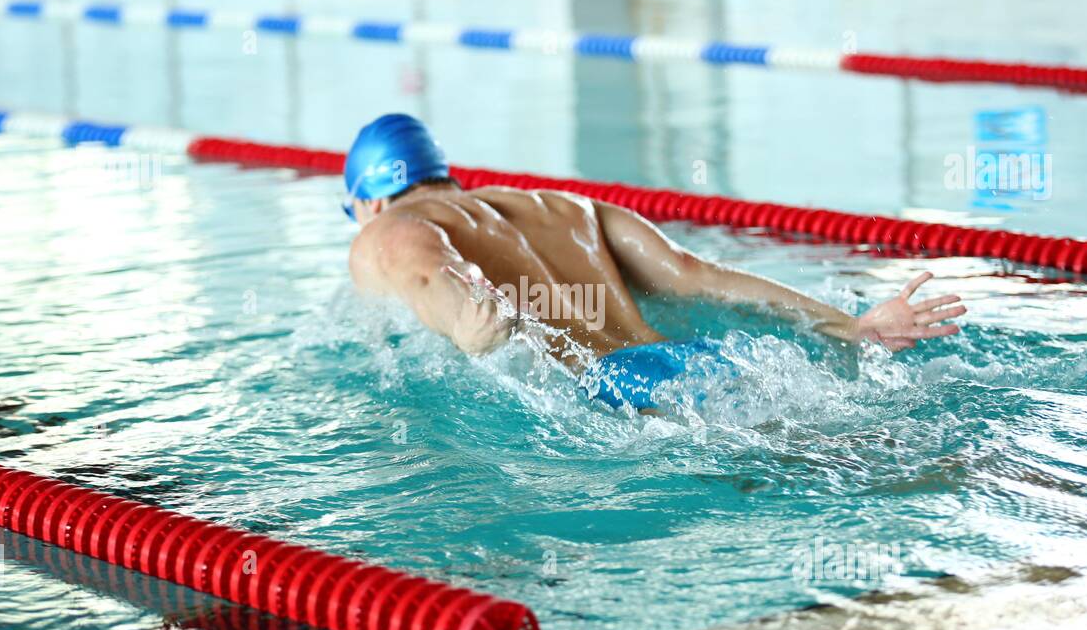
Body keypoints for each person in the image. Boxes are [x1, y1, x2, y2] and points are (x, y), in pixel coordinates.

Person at [346, 114, 966, 411]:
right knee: (852, 448)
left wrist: (467, 327)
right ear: (441, 173)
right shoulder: (566, 207)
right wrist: (848, 324)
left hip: (619, 389)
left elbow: (426, 275)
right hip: (694, 357)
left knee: (809, 469)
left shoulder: (388, 230)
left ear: (370, 200)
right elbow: (700, 277)